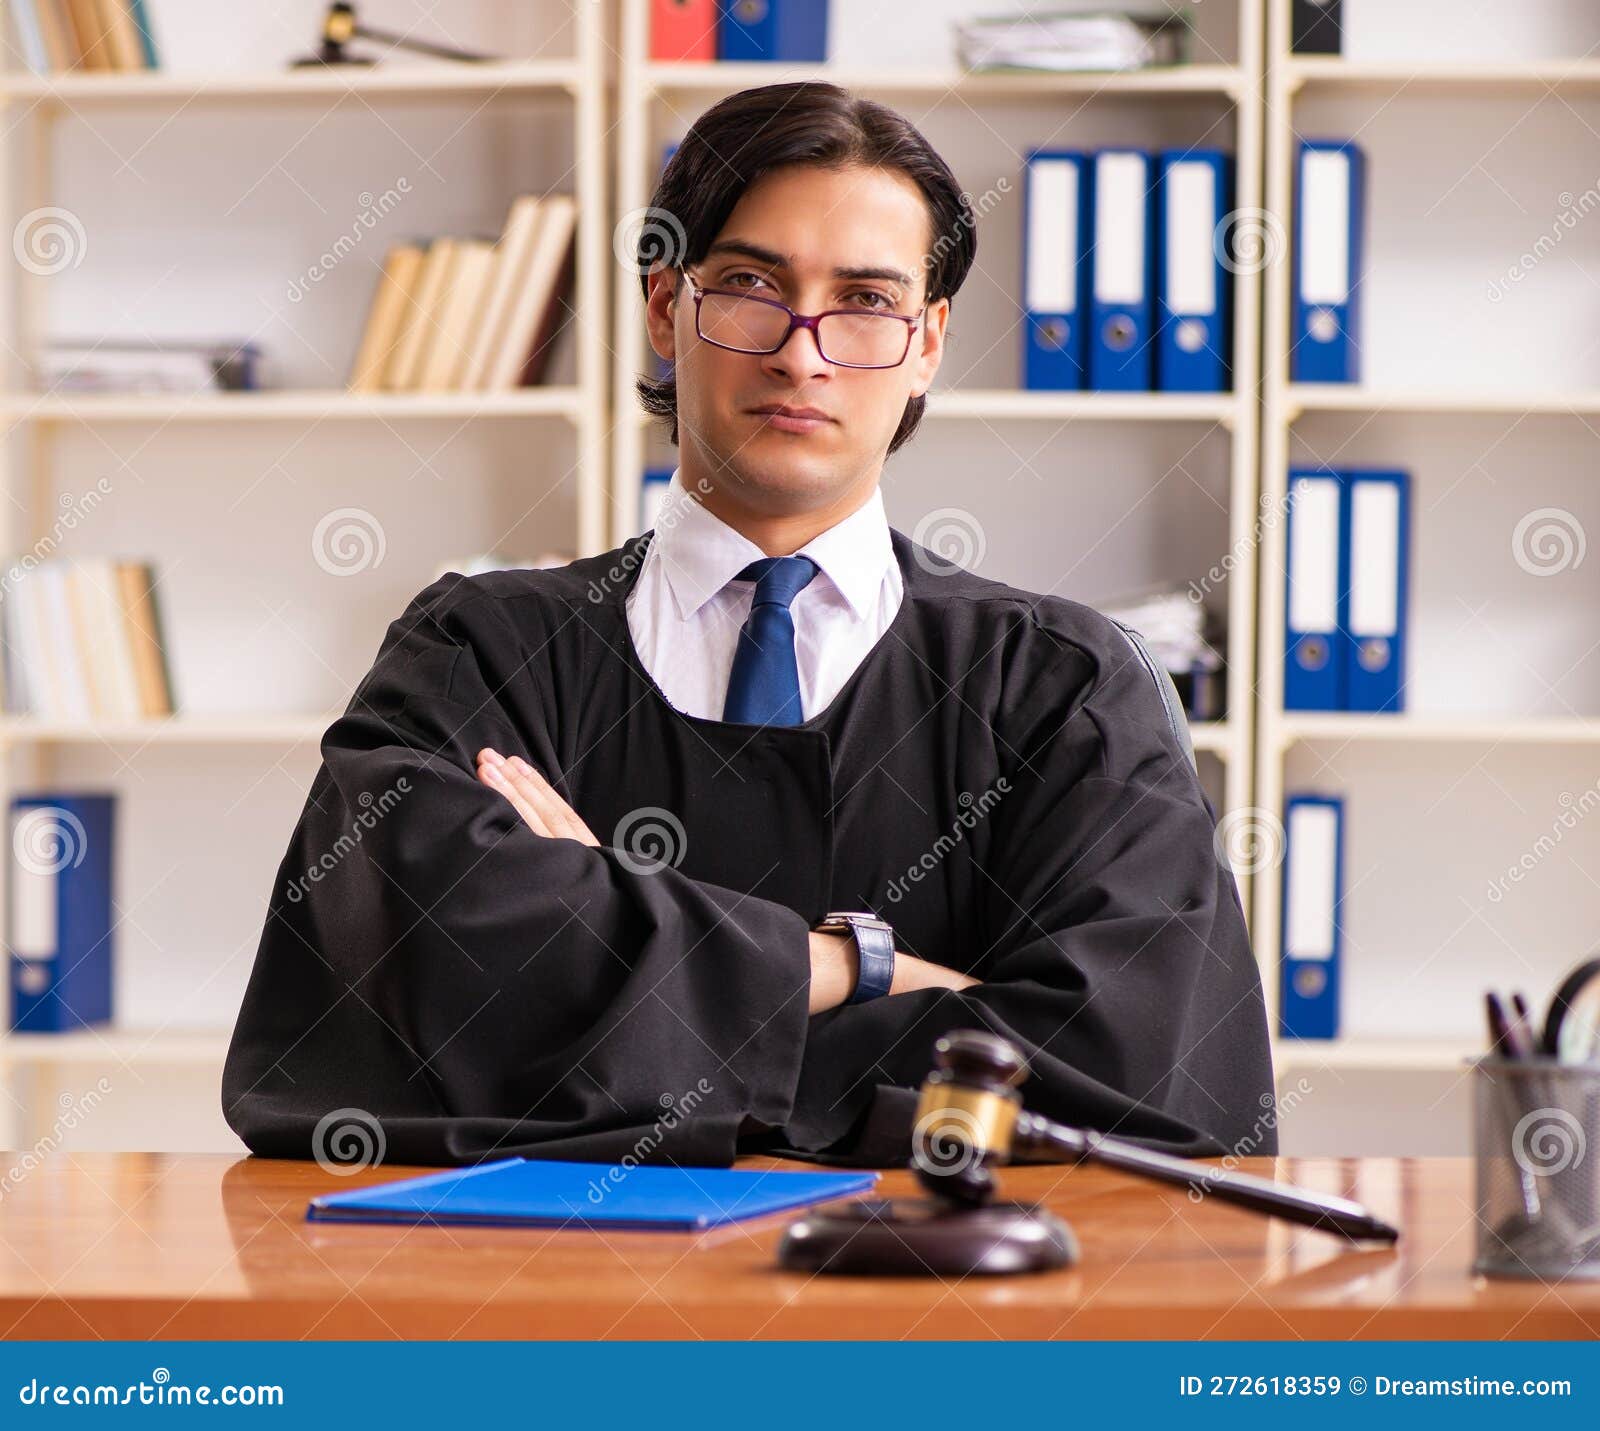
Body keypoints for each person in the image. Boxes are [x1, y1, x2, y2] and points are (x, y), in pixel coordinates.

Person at [222, 81, 1276, 1170]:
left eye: (865, 301)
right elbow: (417, 976)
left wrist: (615, 950)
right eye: (749, 287)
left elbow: (1129, 1065)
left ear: (927, 343)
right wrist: (861, 968)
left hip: (931, 1325)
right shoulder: (481, 651)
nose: (802, 352)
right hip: (548, 1312)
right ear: (662, 305)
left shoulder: (1062, 689)